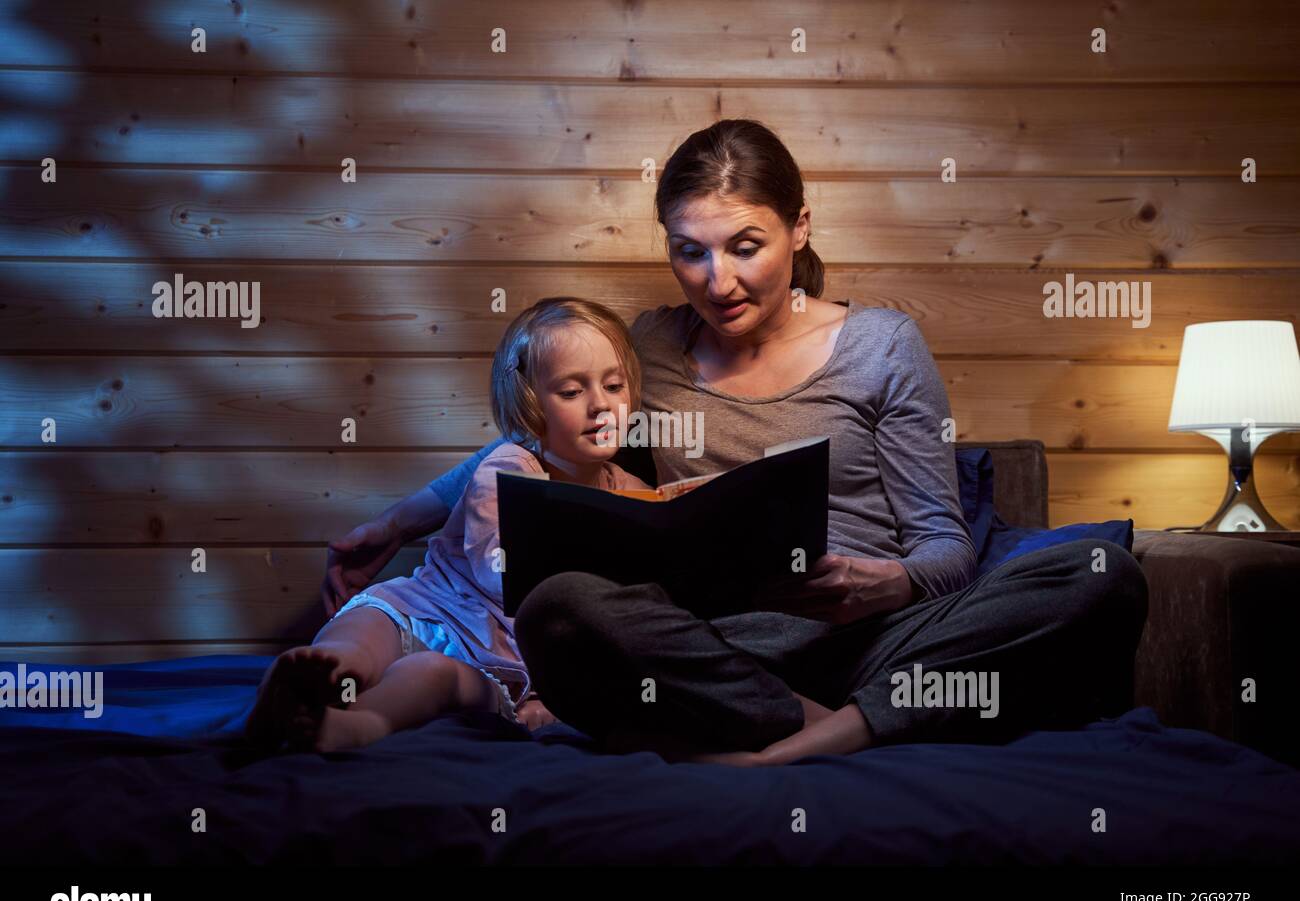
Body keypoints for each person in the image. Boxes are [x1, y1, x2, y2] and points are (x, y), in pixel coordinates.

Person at [328, 119, 1150, 766]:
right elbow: (534, 445)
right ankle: (842, 728)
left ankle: (814, 737)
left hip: (865, 638)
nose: (717, 281)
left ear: (799, 226)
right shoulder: (649, 346)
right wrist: (396, 525)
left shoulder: (882, 347)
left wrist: (884, 584)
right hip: (706, 647)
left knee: (1097, 572)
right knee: (560, 608)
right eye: (690, 252)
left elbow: (945, 548)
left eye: (745, 247)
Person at [245, 298, 654, 751]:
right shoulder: (508, 471)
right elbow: (501, 577)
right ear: (529, 407)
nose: (601, 405)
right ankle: (302, 682)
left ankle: (352, 726)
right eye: (572, 392)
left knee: (430, 675)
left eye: (614, 386)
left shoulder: (631, 490)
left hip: (496, 662)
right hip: (429, 609)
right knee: (361, 636)